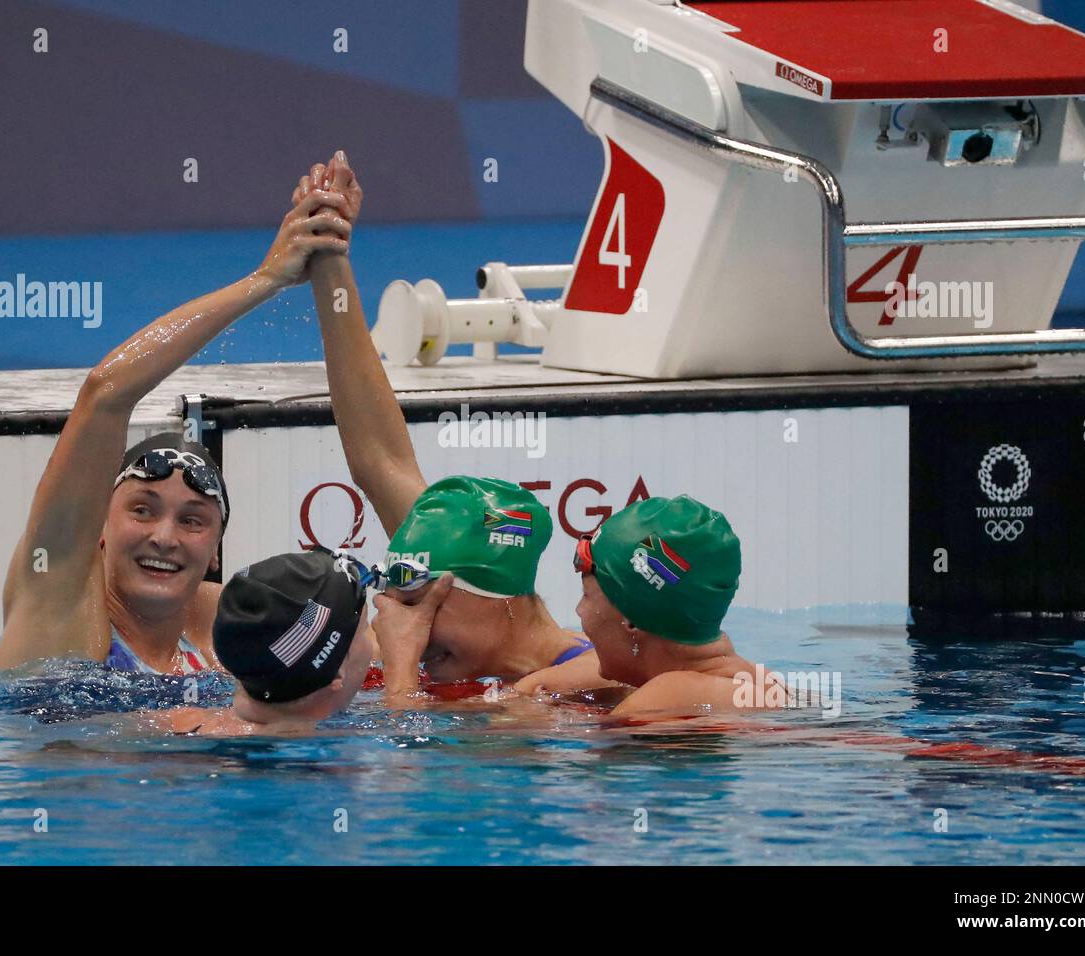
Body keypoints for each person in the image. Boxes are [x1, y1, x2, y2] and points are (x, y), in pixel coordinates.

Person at [0, 175, 355, 673]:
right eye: (142, 510)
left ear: (213, 555)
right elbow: (104, 395)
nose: (164, 537)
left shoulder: (221, 636)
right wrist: (266, 280)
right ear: (99, 527)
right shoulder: (60, 605)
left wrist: (331, 259)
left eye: (192, 521)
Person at [295, 153, 592, 684]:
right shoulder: (456, 647)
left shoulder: (587, 689)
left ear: (499, 600)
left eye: (417, 603)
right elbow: (376, 456)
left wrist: (404, 681)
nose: (401, 625)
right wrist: (329, 260)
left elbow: (411, 766)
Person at [513, 496, 788, 718]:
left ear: (632, 619)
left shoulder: (669, 694)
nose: (579, 611)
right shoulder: (765, 681)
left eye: (586, 595)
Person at [144, 547, 380, 735]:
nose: (371, 641)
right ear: (336, 669)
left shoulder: (178, 722)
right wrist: (404, 672)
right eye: (364, 630)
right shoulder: (332, 753)